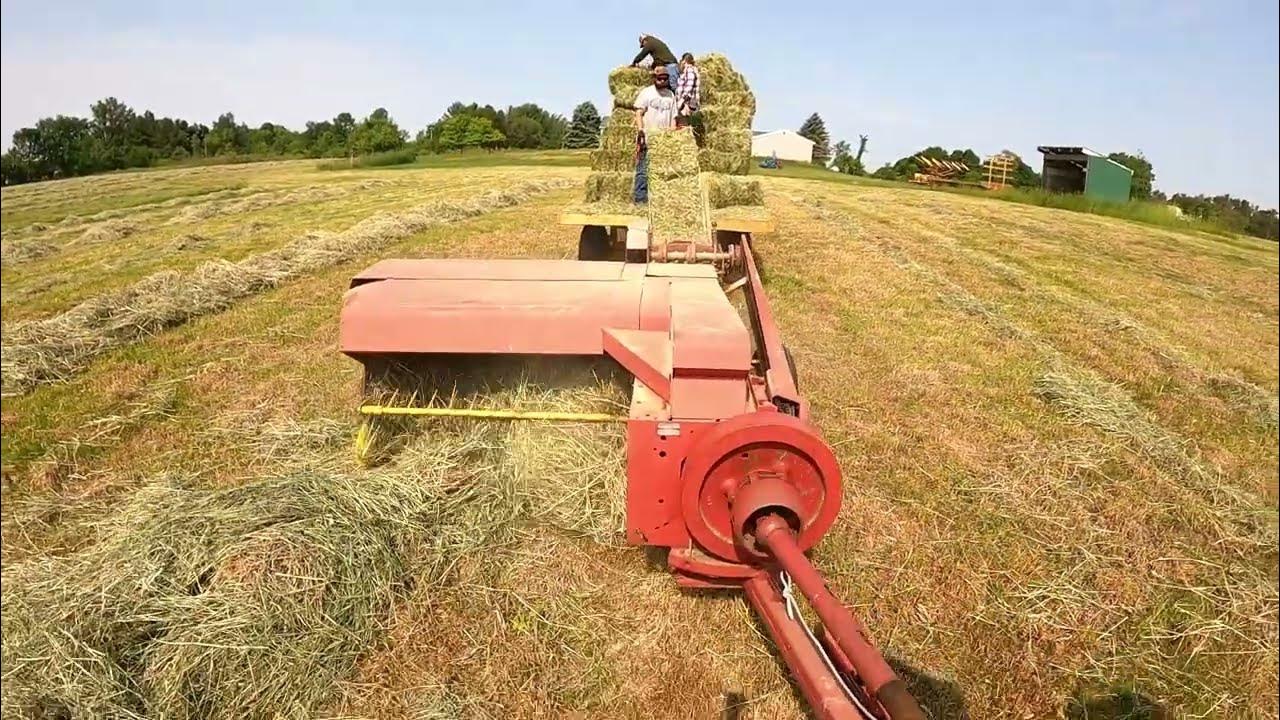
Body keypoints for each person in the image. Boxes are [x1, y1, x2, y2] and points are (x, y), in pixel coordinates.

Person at [631, 64, 678, 204]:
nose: (662, 81)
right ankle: (640, 200)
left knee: (663, 171)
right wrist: (641, 130)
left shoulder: (671, 95)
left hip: (664, 139)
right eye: (659, 79)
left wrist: (672, 134)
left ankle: (660, 200)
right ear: (654, 78)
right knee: (643, 170)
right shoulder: (647, 93)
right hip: (648, 138)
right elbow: (639, 113)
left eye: (665, 79)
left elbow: (674, 117)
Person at [675, 53, 700, 122]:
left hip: (687, 102)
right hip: (687, 101)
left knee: (683, 122)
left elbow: (689, 86)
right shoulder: (691, 70)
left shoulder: (689, 70)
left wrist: (681, 101)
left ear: (684, 61)